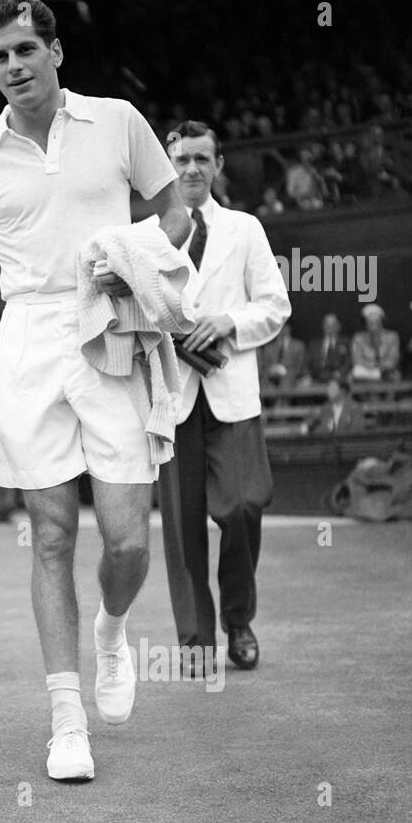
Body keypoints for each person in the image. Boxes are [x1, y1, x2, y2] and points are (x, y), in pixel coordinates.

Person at [0, 0, 190, 782]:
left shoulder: (119, 119)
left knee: (126, 538)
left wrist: (130, 256)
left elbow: (175, 211)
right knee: (50, 534)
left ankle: (113, 632)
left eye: (25, 49)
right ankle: (65, 720)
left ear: (56, 52)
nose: (14, 67)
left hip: (111, 325)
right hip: (25, 340)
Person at [157, 120, 292, 675]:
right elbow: (128, 312)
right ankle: (195, 639)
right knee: (183, 525)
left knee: (242, 507)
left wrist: (226, 323)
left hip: (232, 395)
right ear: (167, 165)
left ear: (217, 166)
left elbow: (275, 306)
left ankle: (239, 618)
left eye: (201, 159)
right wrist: (173, 335)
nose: (191, 169)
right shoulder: (144, 231)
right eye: (182, 159)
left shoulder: (245, 228)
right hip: (172, 395)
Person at [351, 303, 402, 382]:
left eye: (376, 322)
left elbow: (393, 360)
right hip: (365, 372)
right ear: (365, 323)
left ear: (382, 322)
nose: (373, 325)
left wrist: (379, 368)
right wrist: (371, 367)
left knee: (394, 376)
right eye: (370, 322)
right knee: (354, 374)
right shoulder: (358, 338)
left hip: (386, 372)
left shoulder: (392, 337)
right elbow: (357, 359)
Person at [258, 321, 307, 391]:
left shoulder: (298, 346)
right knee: (265, 383)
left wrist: (285, 372)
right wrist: (271, 370)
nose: (283, 330)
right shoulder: (268, 348)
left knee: (285, 383)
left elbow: (301, 366)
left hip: (291, 379)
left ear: (289, 328)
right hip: (271, 379)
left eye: (284, 327)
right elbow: (264, 367)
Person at [307, 312, 352, 384]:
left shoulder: (345, 342)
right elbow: (307, 363)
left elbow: (349, 361)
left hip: (339, 378)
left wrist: (340, 372)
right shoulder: (314, 344)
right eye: (327, 324)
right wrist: (308, 375)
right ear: (323, 326)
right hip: (317, 377)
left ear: (338, 326)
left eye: (332, 324)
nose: (329, 327)